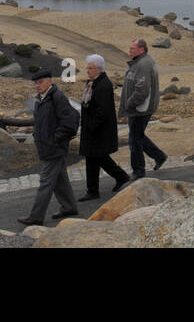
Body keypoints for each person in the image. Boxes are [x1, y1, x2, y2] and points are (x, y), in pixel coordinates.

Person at [19, 69, 80, 226]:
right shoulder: (41, 99)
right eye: (35, 83)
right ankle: (69, 207)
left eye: (40, 82)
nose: (37, 86)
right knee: (60, 179)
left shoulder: (57, 97)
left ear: (49, 81)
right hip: (47, 147)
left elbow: (70, 123)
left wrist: (55, 140)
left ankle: (36, 216)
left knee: (46, 182)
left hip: (54, 148)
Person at [78, 54, 129, 201]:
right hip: (93, 129)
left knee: (96, 157)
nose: (87, 70)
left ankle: (95, 189)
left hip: (98, 130)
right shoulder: (93, 82)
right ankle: (117, 178)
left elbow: (102, 111)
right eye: (87, 67)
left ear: (99, 69)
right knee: (96, 158)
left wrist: (91, 126)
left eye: (90, 68)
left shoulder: (103, 85)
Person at [120, 38, 167, 177]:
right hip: (139, 108)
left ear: (141, 50)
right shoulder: (139, 62)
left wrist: (129, 104)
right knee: (138, 136)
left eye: (132, 48)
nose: (129, 51)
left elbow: (142, 90)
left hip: (140, 109)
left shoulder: (143, 64)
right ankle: (159, 156)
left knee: (134, 140)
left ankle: (139, 171)